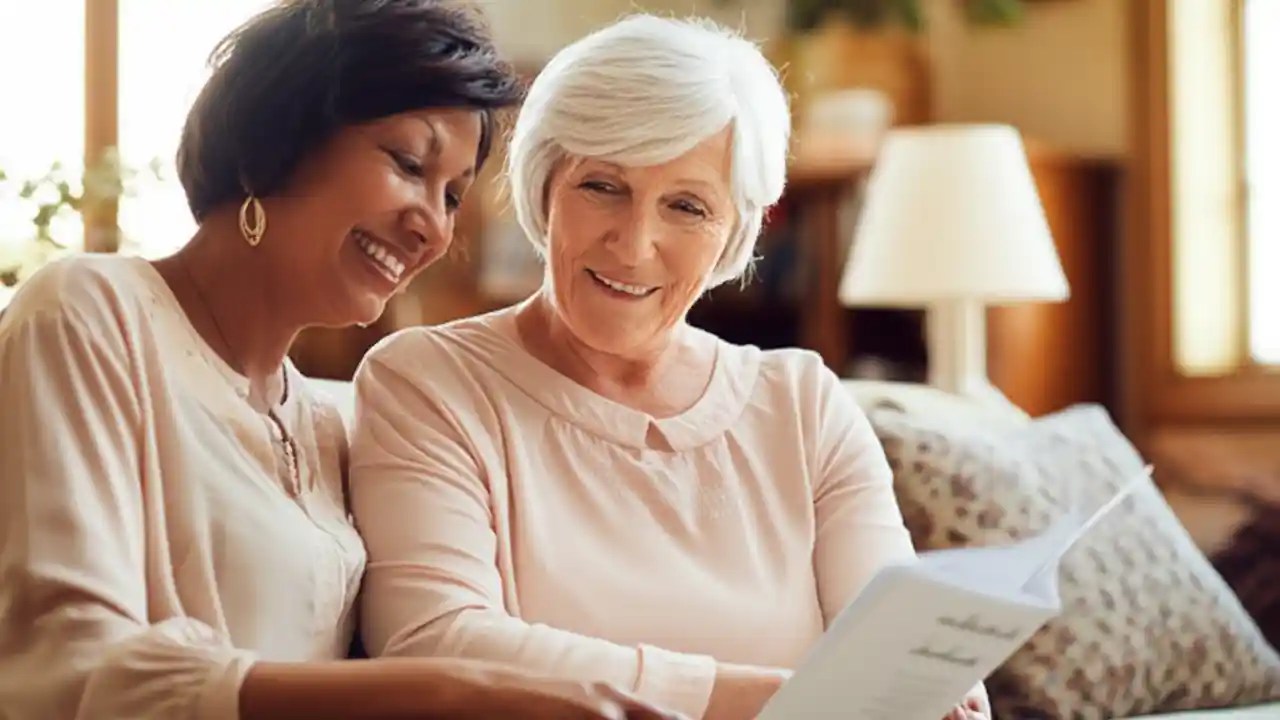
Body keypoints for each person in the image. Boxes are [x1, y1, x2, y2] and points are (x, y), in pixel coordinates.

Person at [0, 2, 682, 719]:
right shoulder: (89, 315)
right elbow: (62, 666)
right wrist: (451, 688)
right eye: (408, 163)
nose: (433, 226)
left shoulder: (330, 420)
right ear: (279, 137)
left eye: (452, 195)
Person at [348, 13, 990, 720]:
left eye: (686, 206)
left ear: (732, 236)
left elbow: (895, 648)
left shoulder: (803, 403)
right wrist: (774, 699)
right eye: (602, 187)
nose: (634, 244)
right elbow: (436, 643)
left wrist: (939, 684)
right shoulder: (427, 382)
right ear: (545, 185)